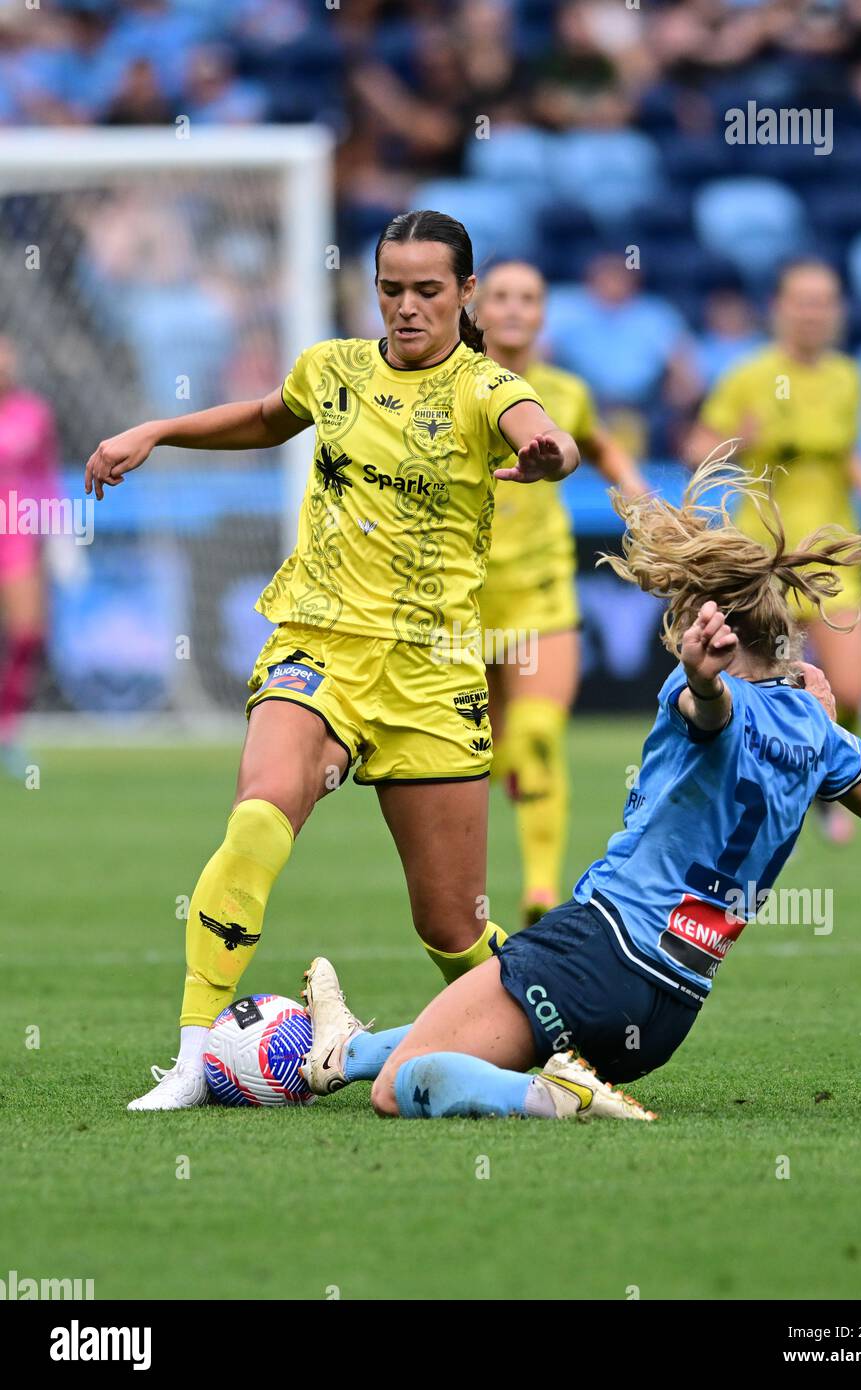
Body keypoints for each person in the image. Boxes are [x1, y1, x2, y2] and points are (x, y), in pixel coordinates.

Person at [84, 210, 579, 1111]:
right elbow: (270, 417)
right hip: (319, 643)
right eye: (391, 288)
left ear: (465, 294)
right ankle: (196, 1055)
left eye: (429, 291)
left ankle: (563, 1033)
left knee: (452, 927)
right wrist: (157, 429)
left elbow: (539, 429)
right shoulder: (335, 369)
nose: (406, 307)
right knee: (260, 813)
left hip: (431, 675)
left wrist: (550, 454)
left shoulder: (484, 387)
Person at [295, 450, 861, 1121]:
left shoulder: (700, 692)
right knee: (479, 1036)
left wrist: (702, 679)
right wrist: (829, 727)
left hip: (601, 947)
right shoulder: (813, 729)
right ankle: (344, 1053)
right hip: (668, 1007)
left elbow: (712, 714)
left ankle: (548, 1095)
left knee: (398, 1089)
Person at [684, 259, 861, 844]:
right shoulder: (749, 375)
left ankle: (829, 781)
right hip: (764, 562)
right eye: (802, 300)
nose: (814, 312)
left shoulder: (849, 378)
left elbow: (840, 448)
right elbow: (699, 445)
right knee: (758, 693)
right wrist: (737, 443)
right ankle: (754, 803)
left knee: (850, 690)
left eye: (825, 300)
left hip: (832, 559)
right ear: (778, 308)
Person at [473, 260, 644, 925]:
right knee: (477, 755)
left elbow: (600, 448)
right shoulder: (454, 386)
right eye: (501, 297)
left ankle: (542, 892)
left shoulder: (566, 393)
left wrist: (637, 493)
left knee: (538, 731)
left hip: (541, 591)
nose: (515, 309)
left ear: (544, 313)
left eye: (529, 297)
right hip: (462, 599)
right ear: (477, 308)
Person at [0, 336, 59, 775]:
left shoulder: (34, 414)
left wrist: (58, 534)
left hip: (16, 534)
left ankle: (7, 728)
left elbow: (45, 477)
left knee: (27, 634)